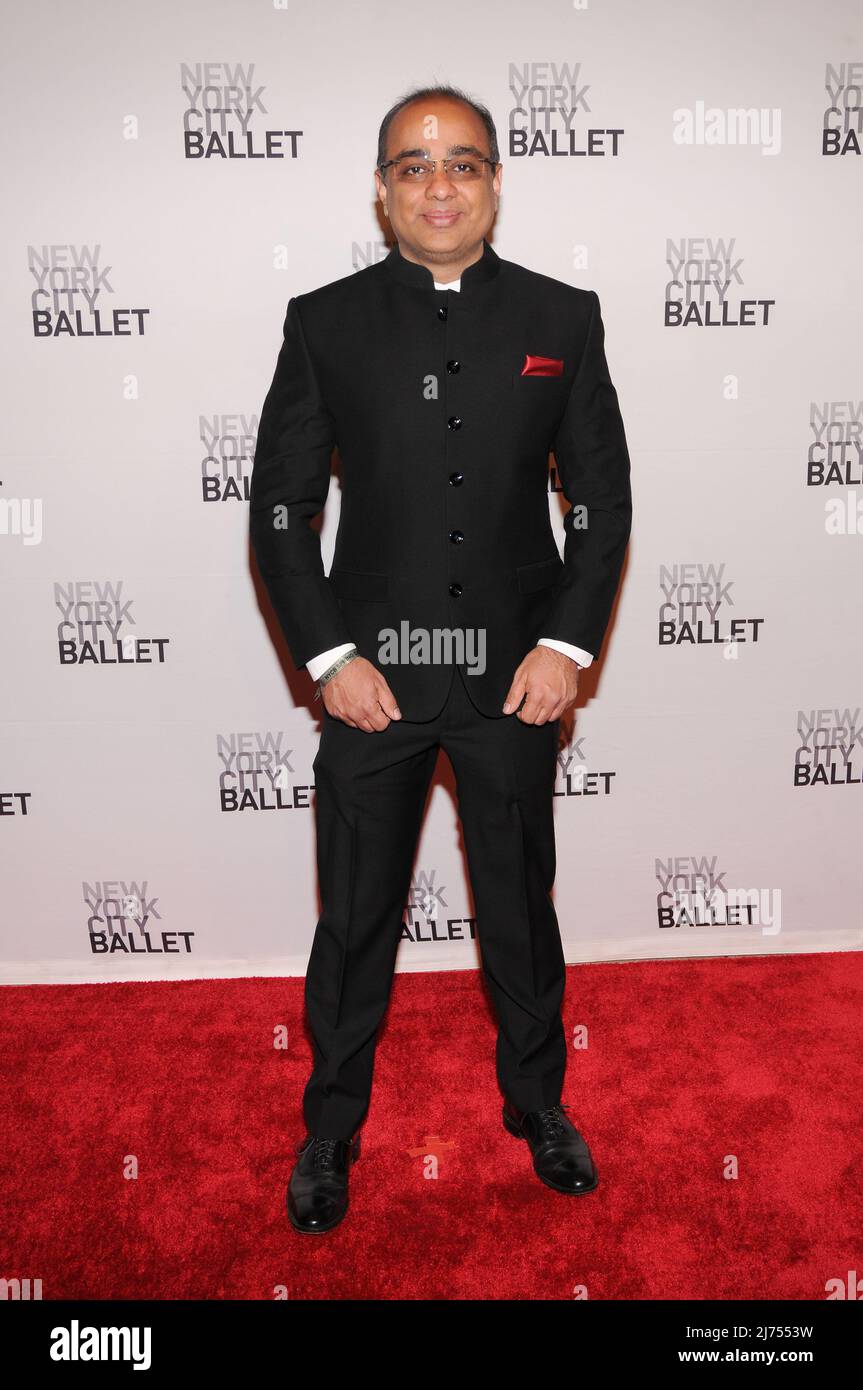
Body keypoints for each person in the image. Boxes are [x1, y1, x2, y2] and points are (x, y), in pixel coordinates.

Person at [249, 84, 632, 1234]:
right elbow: (279, 510)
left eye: (461, 164)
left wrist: (566, 646)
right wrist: (326, 655)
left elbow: (601, 504)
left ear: (495, 183)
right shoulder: (323, 322)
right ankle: (329, 1125)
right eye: (412, 166)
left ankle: (539, 1105)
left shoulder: (564, 319)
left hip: (515, 679)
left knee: (520, 905)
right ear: (381, 189)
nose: (438, 185)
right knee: (355, 913)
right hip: (373, 681)